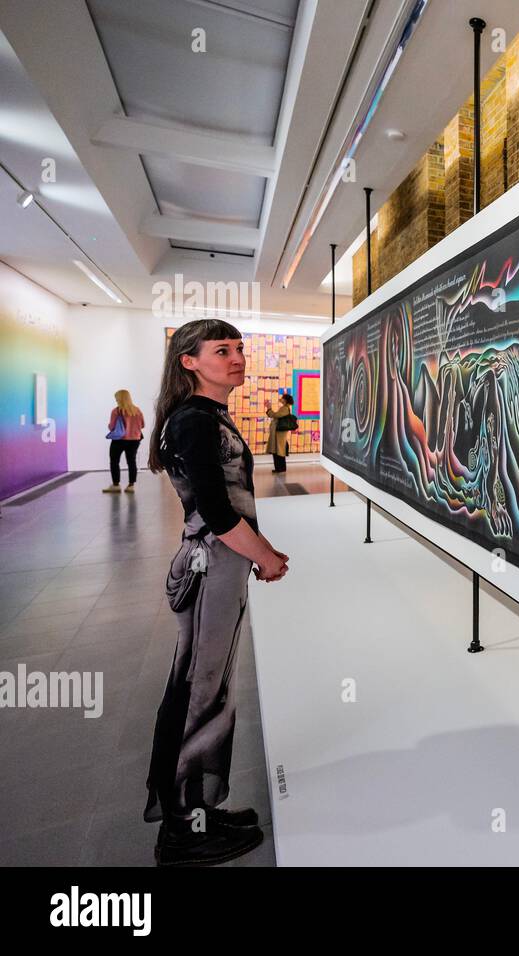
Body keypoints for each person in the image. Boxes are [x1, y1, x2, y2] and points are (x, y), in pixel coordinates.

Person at [144, 318, 290, 866]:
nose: (236, 358)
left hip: (220, 565)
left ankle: (200, 811)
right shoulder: (193, 421)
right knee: (198, 695)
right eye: (222, 350)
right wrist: (265, 556)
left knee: (210, 691)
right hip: (210, 566)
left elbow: (228, 503)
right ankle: (183, 830)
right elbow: (216, 511)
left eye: (239, 349)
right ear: (189, 361)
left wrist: (259, 550)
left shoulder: (206, 416)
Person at [102, 389, 145, 493]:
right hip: (134, 440)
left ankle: (116, 485)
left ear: (120, 399)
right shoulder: (137, 410)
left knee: (114, 462)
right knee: (131, 462)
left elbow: (112, 427)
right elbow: (143, 425)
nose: (116, 400)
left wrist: (111, 426)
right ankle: (131, 486)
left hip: (119, 440)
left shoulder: (116, 411)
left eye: (116, 398)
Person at [265, 392, 293, 473]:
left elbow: (275, 415)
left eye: (282, 398)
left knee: (279, 450)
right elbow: (275, 415)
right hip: (278, 432)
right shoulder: (284, 408)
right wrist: (269, 409)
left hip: (279, 433)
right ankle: (279, 468)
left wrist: (269, 408)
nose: (281, 399)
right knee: (277, 450)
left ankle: (280, 468)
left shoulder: (285, 408)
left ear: (285, 400)